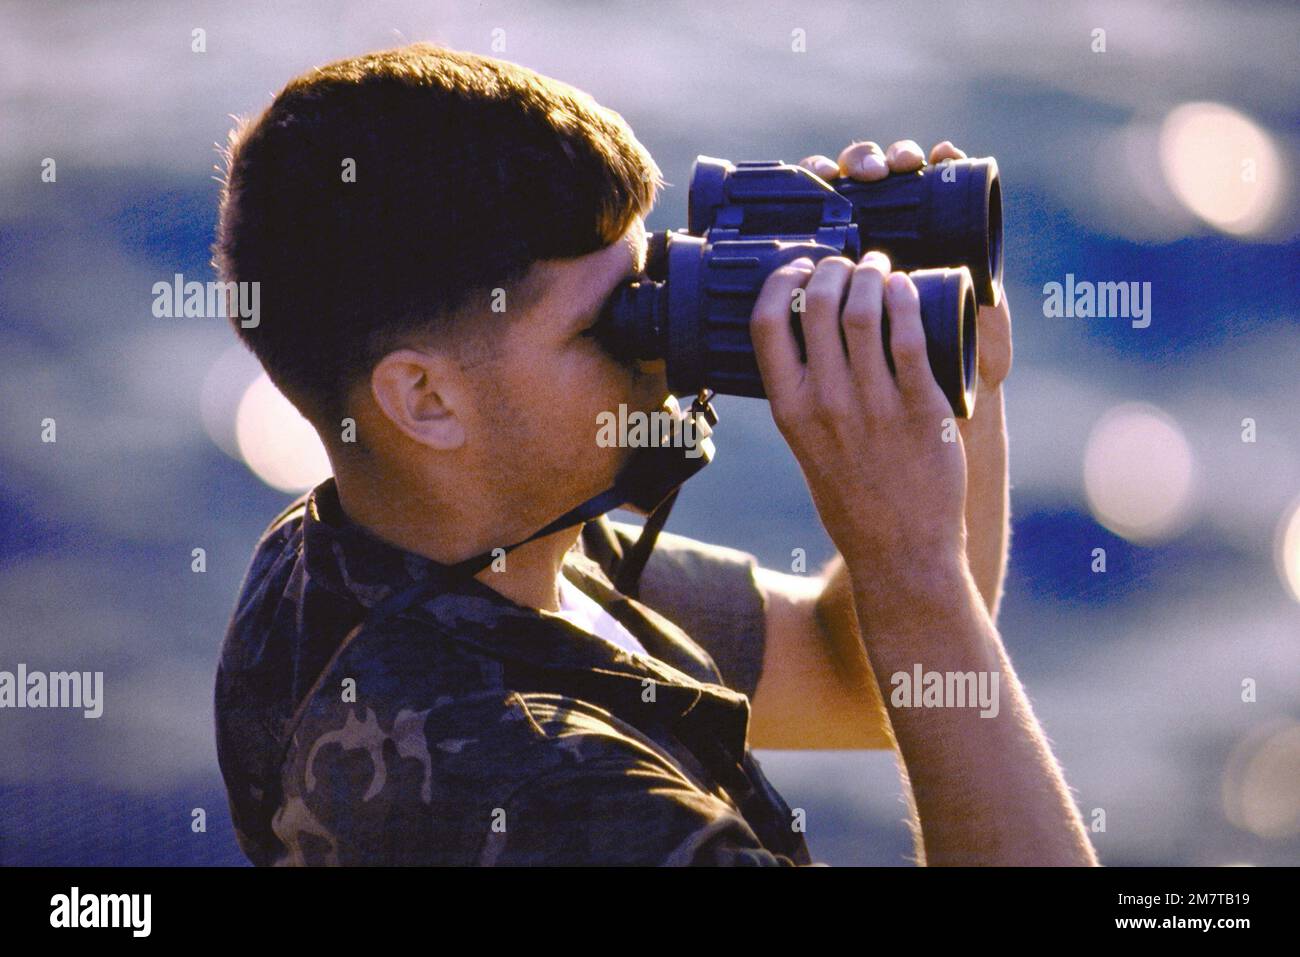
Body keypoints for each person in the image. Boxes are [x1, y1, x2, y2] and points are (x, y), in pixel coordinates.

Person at [212, 42, 1098, 866]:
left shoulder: (420, 551)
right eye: (617, 316)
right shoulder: (552, 801)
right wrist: (909, 564)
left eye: (656, 270)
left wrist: (941, 367)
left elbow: (848, 675)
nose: (660, 348)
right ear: (426, 400)